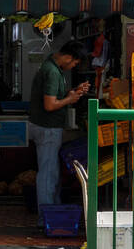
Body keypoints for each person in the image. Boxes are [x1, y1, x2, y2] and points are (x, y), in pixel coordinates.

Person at [26, 40, 91, 211]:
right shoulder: (53, 72)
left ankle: (52, 210)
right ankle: (46, 214)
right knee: (48, 174)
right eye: (75, 63)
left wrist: (72, 92)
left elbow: (54, 98)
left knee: (51, 172)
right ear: (68, 57)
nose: (74, 66)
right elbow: (50, 105)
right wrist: (70, 99)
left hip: (45, 127)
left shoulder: (53, 67)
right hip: (47, 128)